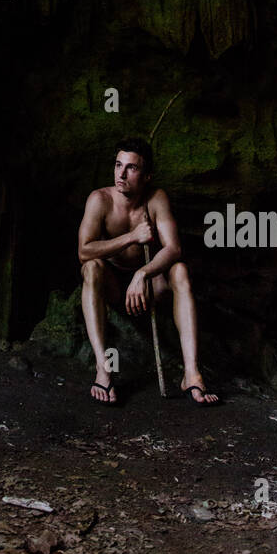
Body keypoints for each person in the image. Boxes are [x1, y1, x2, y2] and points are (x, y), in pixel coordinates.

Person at [77, 139, 219, 406]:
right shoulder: (100, 199)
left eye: (131, 168)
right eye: (118, 165)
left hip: (149, 285)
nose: (121, 174)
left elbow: (174, 248)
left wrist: (143, 273)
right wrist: (132, 236)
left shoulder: (156, 199)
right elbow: (84, 251)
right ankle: (103, 369)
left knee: (180, 270)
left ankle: (191, 373)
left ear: (147, 175)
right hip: (113, 285)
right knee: (92, 267)